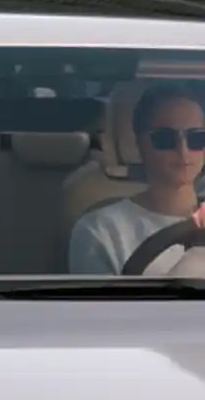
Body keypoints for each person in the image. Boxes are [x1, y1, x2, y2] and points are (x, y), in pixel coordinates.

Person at [69, 83, 205, 275]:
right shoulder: (102, 229)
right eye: (164, 138)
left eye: (197, 138)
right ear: (139, 144)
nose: (183, 150)